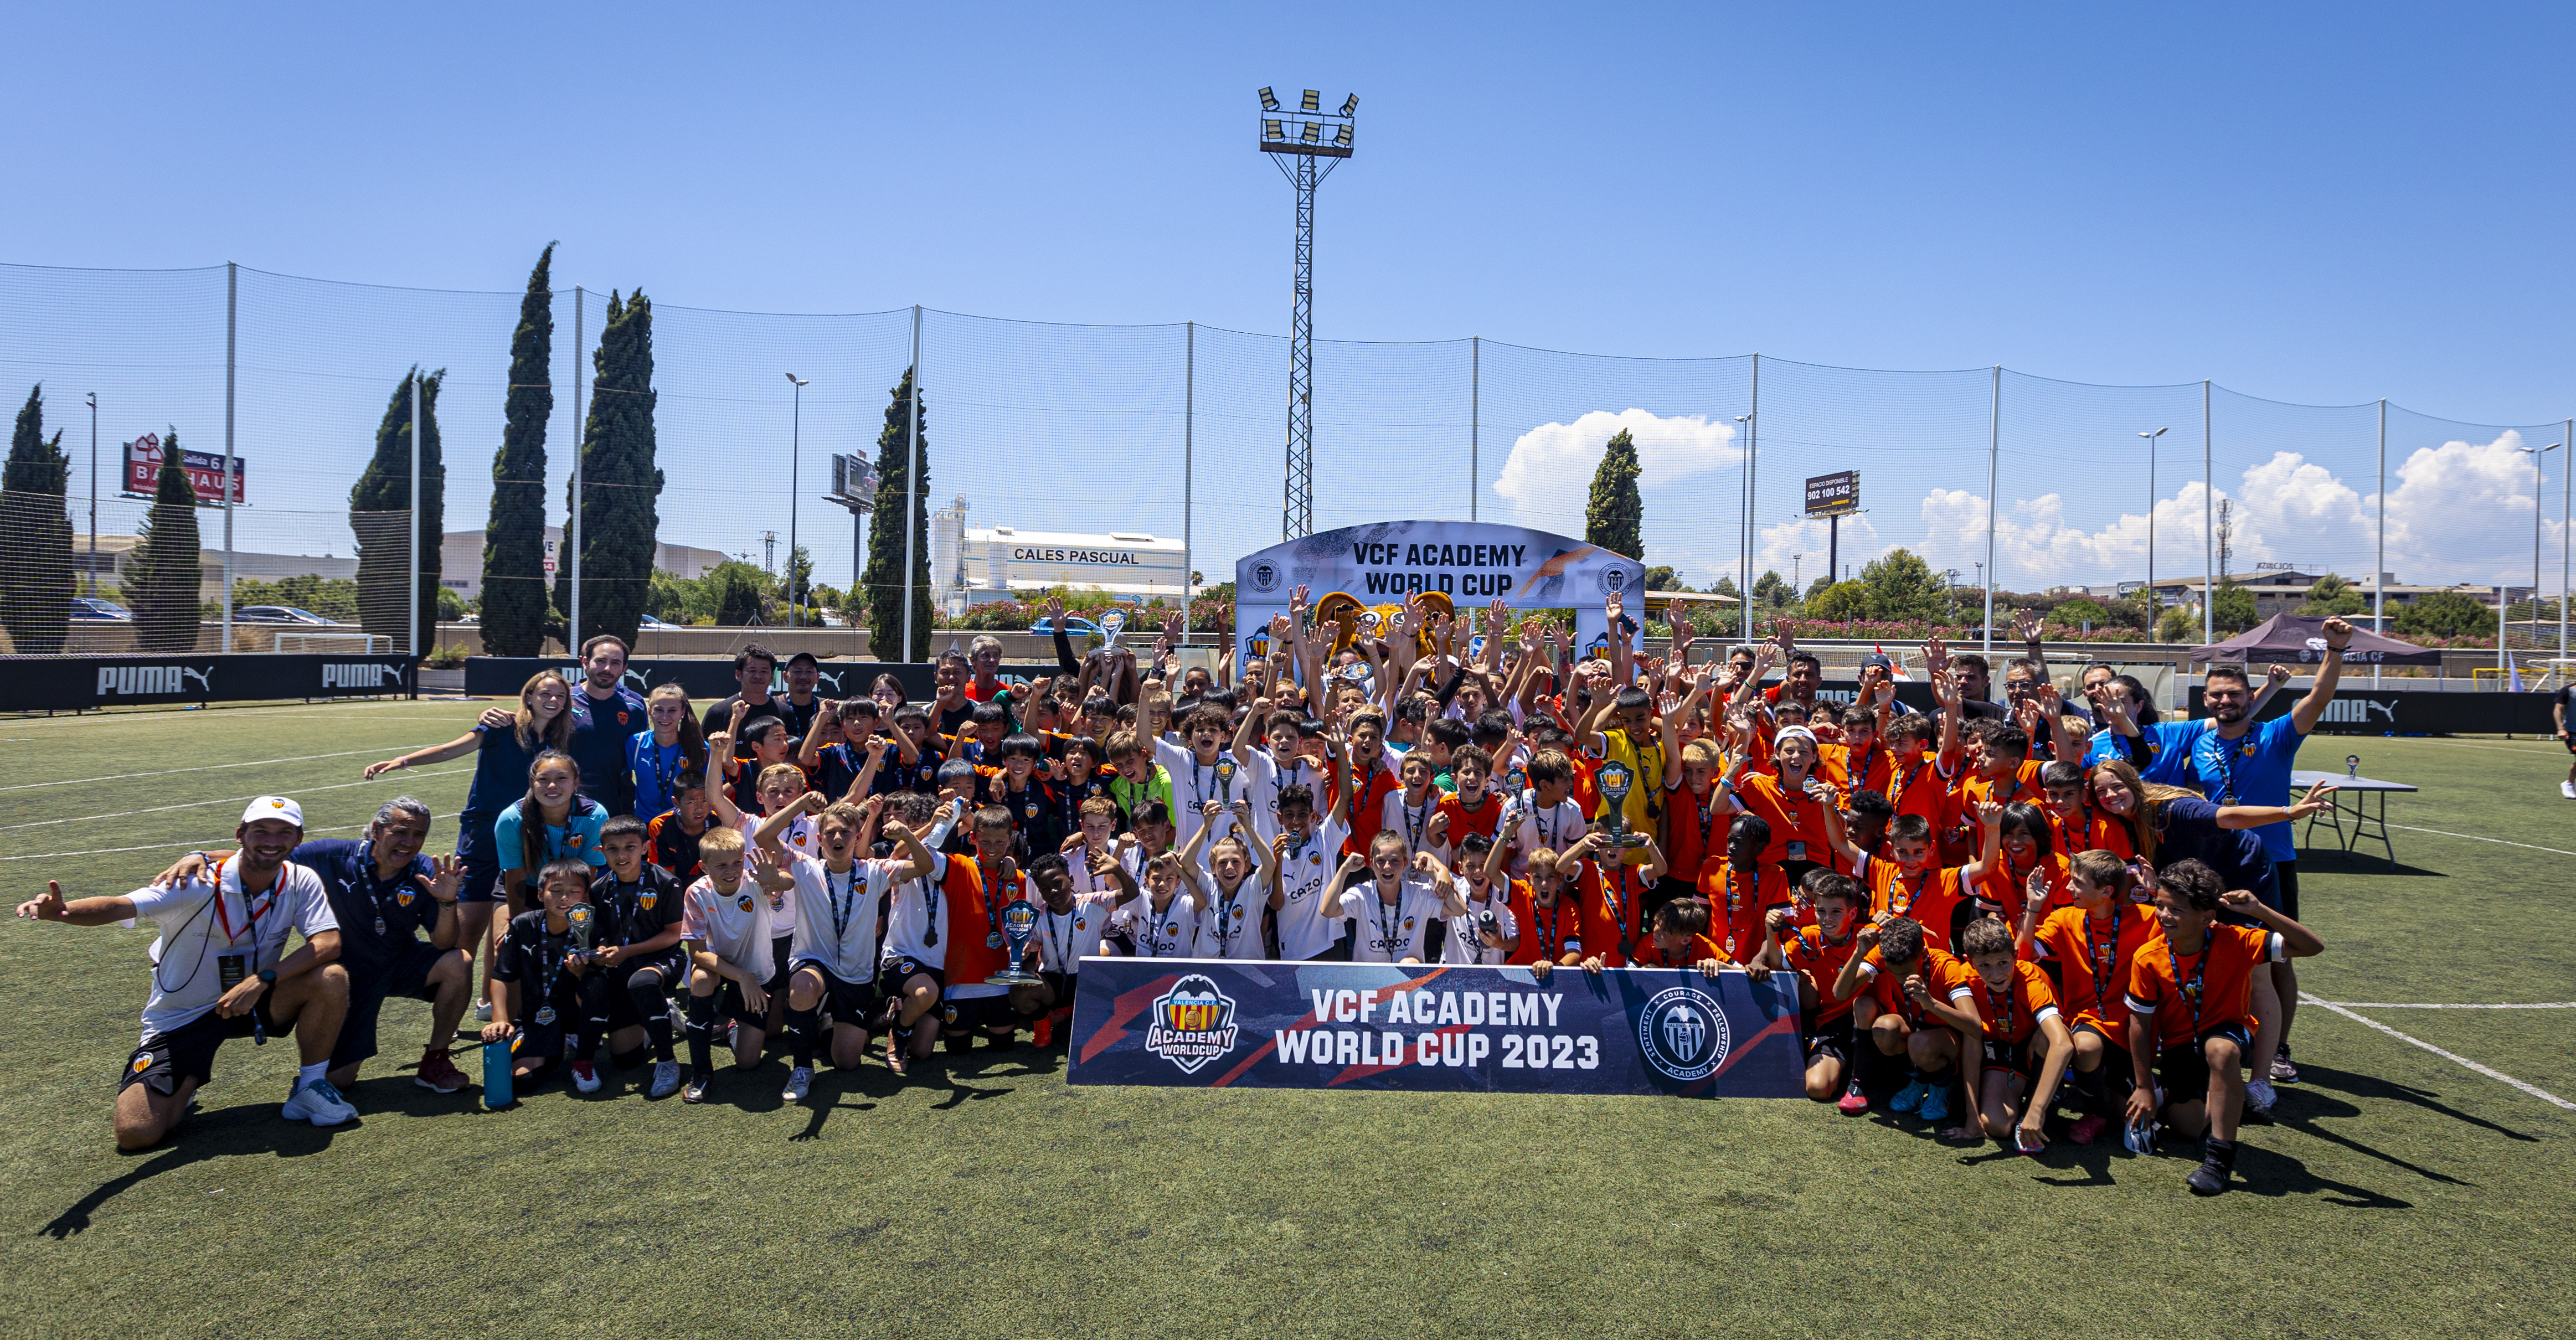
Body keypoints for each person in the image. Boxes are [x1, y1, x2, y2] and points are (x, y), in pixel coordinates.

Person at [20, 797, 354, 1149]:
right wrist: (65, 912)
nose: (272, 840)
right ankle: (184, 1082)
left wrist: (261, 980)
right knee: (138, 1134)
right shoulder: (193, 881)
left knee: (332, 978)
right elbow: (123, 905)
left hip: (251, 999)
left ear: (298, 840)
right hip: (182, 1017)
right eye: (261, 831)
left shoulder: (301, 879)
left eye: (284, 832)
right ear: (241, 835)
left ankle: (310, 1087)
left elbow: (328, 943)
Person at [2144, 618, 2353, 1085]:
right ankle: (2202, 1033)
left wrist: (2335, 652)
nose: (2226, 702)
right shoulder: (2195, 739)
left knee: (2274, 958)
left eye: (2234, 694)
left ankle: (2278, 1049)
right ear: (2206, 700)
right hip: (2211, 861)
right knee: (2204, 950)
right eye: (2217, 695)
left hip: (2271, 860)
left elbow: (2317, 700)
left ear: (2248, 697)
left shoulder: (2276, 735)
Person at [153, 798, 472, 1096]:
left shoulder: (424, 871)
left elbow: (444, 942)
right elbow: (267, 856)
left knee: (459, 961)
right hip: (348, 975)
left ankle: (436, 1059)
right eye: (400, 832)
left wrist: (447, 902)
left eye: (419, 835)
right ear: (376, 830)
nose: (409, 842)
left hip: (398, 963)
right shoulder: (331, 855)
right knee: (340, 1080)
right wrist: (201, 856)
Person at [364, 669, 570, 1022]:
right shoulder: (501, 727)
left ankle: (492, 1003)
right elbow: (452, 749)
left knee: (508, 926)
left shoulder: (558, 739)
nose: (552, 701)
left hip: (529, 838)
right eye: (545, 694)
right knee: (467, 929)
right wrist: (405, 761)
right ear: (529, 696)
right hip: (484, 833)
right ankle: (449, 1010)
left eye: (559, 696)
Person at [2124, 858, 2326, 1195]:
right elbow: (2140, 1026)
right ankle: (2235, 1097)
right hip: (2180, 1048)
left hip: (2228, 1032)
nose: (2163, 915)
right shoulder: (2148, 957)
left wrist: (2260, 910)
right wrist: (2145, 1085)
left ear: (2207, 917)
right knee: (2187, 1128)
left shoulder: (2237, 940)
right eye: (2159, 905)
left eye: (2175, 909)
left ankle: (2218, 1161)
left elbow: (2312, 947)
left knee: (2221, 1051)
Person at [2016, 848, 2157, 1145]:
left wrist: (2157, 896)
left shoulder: (2146, 918)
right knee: (2086, 1046)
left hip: (2135, 1024)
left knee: (2147, 1119)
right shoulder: (2065, 917)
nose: (2068, 888)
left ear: (2107, 891)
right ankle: (2095, 1114)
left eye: (2078, 883)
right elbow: (2025, 957)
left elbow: (2189, 929)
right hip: (2088, 1019)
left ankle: (2157, 1090)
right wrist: (2033, 908)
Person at [777, 797, 900, 1099]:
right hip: (814, 962)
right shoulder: (805, 867)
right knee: (803, 986)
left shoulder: (874, 871)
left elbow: (924, 866)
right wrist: (802, 804)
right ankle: (802, 1068)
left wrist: (907, 836)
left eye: (845, 832)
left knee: (846, 1063)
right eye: (830, 832)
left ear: (858, 838)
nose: (837, 838)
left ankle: (825, 1022)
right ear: (819, 840)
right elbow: (763, 837)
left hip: (855, 973)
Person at [484, 858, 621, 1093]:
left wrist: (580, 972)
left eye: (574, 891)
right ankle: (554, 1046)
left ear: (585, 897)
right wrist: (500, 1018)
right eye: (555, 890)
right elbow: (501, 975)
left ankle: (583, 1060)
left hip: (576, 1012)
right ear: (539, 894)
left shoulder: (593, 927)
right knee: (521, 1082)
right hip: (537, 1016)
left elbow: (601, 979)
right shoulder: (522, 925)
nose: (564, 898)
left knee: (596, 984)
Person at [1832, 914, 1982, 1128]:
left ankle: (1944, 1084)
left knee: (1919, 1043)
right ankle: (1919, 1081)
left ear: (1922, 953)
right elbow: (1840, 993)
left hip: (1945, 1040)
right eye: (1894, 973)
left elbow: (1975, 1028)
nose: (1901, 979)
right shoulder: (1885, 956)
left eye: (1906, 972)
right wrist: (1858, 953)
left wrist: (1930, 1004)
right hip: (1913, 1032)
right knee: (1883, 1029)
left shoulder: (1947, 966)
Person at [677, 824, 792, 1102]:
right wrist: (742, 977)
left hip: (758, 972)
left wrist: (775, 876)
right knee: (701, 979)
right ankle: (701, 1074)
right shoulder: (697, 893)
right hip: (722, 968)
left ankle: (732, 1028)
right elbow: (698, 953)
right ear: (704, 867)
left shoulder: (756, 880)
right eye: (721, 865)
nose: (731, 871)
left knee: (747, 1063)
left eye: (737, 862)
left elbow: (787, 883)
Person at [589, 813, 691, 1099]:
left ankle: (667, 1062)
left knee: (642, 983)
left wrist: (627, 951)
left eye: (630, 847)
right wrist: (599, 951)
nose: (621, 855)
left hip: (663, 960)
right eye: (613, 849)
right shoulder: (598, 889)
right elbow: (601, 936)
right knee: (625, 1059)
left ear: (646, 847)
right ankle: (660, 1014)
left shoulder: (666, 882)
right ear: (601, 851)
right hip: (624, 964)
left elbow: (674, 935)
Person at [1957, 914, 2075, 1152]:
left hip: (2030, 1046)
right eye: (1985, 966)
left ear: (2016, 956)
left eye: (2003, 963)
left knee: (2048, 1036)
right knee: (1997, 1126)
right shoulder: (1962, 978)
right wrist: (1972, 1116)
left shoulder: (2030, 979)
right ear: (1970, 962)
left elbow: (2063, 1045)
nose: (1996, 975)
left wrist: (2035, 1111)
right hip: (1999, 1049)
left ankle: (2040, 1105)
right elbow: (1971, 1040)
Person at [1764, 872, 1868, 1109]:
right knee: (1818, 1089)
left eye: (1836, 912)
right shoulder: (1810, 936)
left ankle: (1865, 1078)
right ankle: (1847, 1067)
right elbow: (1778, 964)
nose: (1826, 919)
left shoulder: (1869, 936)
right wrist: (1771, 932)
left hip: (1874, 1024)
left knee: (1865, 1006)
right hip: (1833, 1021)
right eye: (1821, 911)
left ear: (1852, 913)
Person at [1330, 837, 1468, 965]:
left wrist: (1434, 874)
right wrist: (1344, 870)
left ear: (1405, 863)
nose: (1387, 867)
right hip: (1367, 981)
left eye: (1395, 861)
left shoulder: (1418, 894)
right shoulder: (1363, 894)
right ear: (1371, 863)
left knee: (1410, 963)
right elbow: (1328, 910)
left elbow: (1459, 909)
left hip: (1405, 983)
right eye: (1380, 861)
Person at [629, 683, 709, 823]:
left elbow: (713, 790)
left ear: (682, 712)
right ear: (649, 711)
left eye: (672, 710)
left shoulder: (700, 748)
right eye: (659, 710)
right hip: (645, 823)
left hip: (684, 825)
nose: (665, 717)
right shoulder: (635, 743)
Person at [700, 642, 790, 761]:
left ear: (772, 676)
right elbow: (703, 754)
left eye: (764, 671)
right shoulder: (718, 712)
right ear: (739, 674)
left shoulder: (784, 712)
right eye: (752, 671)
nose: (758, 676)